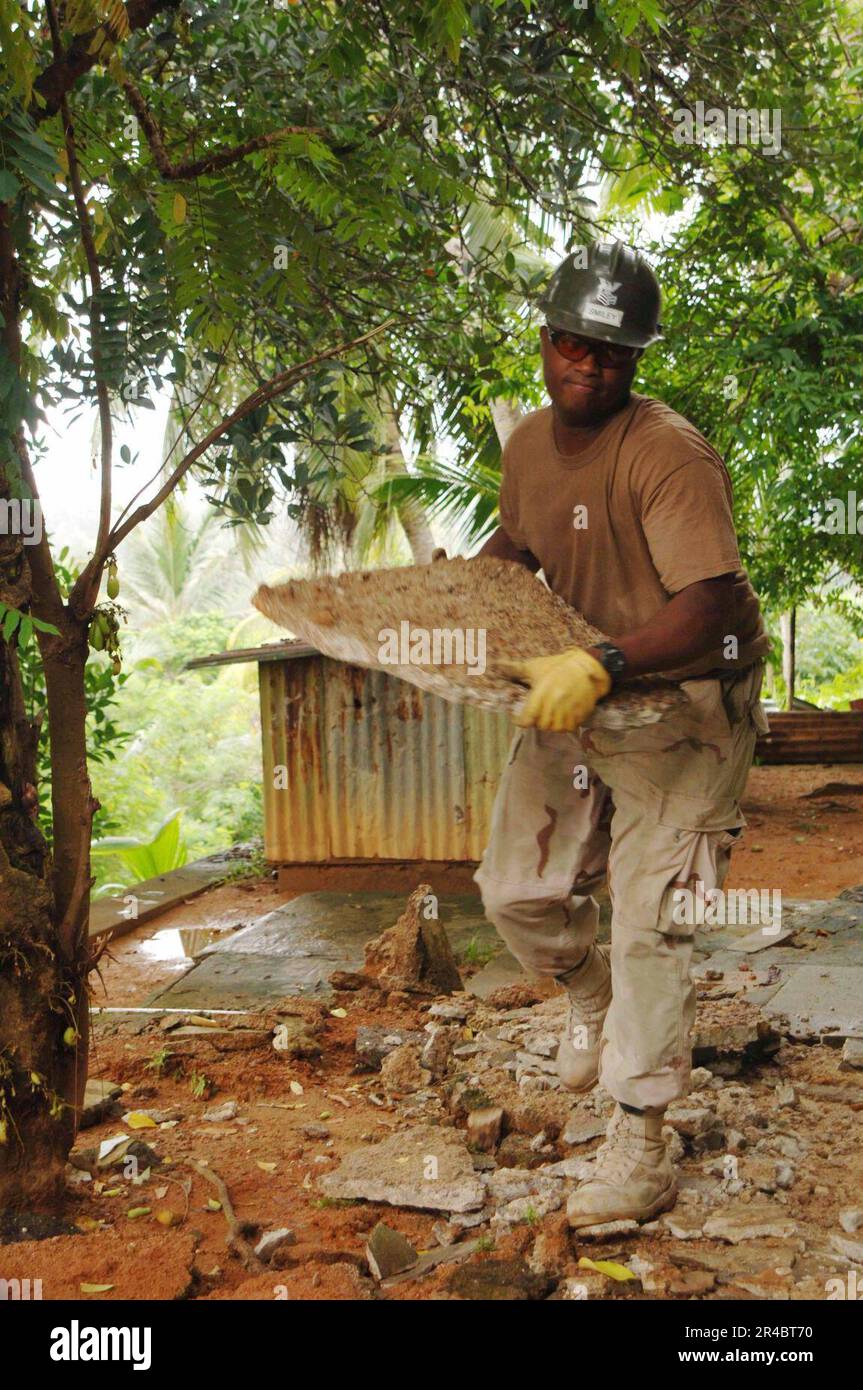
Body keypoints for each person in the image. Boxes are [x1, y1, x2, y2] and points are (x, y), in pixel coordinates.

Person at [473, 240, 770, 1227]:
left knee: (654, 926)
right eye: (572, 345)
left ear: (633, 360)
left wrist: (601, 662)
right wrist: (462, 597)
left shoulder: (666, 453)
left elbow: (717, 609)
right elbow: (516, 543)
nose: (588, 367)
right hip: (582, 689)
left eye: (611, 353)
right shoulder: (524, 445)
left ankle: (639, 1141)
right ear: (545, 341)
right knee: (513, 887)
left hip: (684, 705)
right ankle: (585, 992)